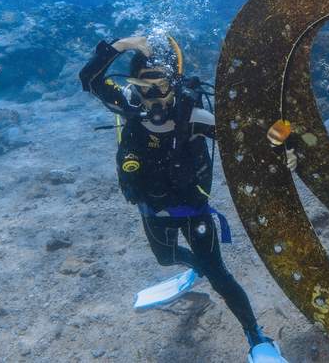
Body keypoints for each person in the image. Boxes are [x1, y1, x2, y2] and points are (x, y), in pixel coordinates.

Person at [79, 35, 287, 362]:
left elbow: (243, 140)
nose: (154, 97)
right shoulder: (128, 104)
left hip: (193, 211)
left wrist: (282, 143)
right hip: (152, 210)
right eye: (144, 87)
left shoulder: (192, 116)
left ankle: (256, 337)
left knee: (219, 273)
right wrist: (120, 46)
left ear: (174, 85)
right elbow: (88, 79)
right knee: (165, 258)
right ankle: (196, 268)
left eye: (161, 87)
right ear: (133, 85)